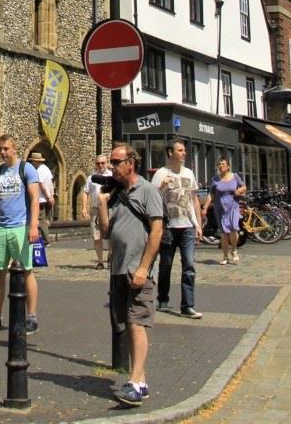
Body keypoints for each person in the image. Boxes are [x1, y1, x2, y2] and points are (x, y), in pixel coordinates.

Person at [98, 142, 164, 408]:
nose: (112, 167)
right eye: (111, 162)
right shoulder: (115, 194)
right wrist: (102, 203)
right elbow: (105, 231)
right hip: (118, 269)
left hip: (138, 270)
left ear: (131, 163)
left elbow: (157, 231)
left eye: (116, 162)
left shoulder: (148, 191)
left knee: (137, 324)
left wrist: (144, 268)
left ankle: (134, 383)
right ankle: (142, 381)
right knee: (125, 324)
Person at [0, 133, 40, 335]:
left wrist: (34, 225)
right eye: (0, 149)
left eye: (6, 148)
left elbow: (35, 197)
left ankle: (31, 318)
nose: (3, 152)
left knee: (26, 271)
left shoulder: (26, 168)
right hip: (0, 227)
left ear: (14, 148)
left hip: (20, 226)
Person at [151, 141, 203, 318]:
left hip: (187, 226)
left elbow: (194, 200)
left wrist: (198, 224)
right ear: (170, 153)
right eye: (180, 150)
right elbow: (152, 201)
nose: (184, 153)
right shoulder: (161, 173)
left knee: (189, 266)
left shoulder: (189, 173)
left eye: (184, 151)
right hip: (168, 227)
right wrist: (161, 187)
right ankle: (163, 299)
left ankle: (187, 305)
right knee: (166, 266)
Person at [202, 157, 246, 264]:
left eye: (223, 164)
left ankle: (234, 250)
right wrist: (205, 207)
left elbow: (244, 187)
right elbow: (211, 194)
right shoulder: (215, 179)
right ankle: (225, 256)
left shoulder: (235, 176)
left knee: (234, 229)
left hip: (233, 207)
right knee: (224, 233)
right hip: (220, 208)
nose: (221, 166)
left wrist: (239, 190)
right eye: (219, 164)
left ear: (228, 166)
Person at [83, 155, 111, 268]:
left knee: (111, 235)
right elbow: (86, 192)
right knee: (96, 236)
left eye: (103, 163)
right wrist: (84, 207)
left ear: (106, 163)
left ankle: (111, 256)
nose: (100, 165)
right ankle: (100, 261)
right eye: (98, 163)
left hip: (109, 208)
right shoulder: (92, 177)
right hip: (95, 209)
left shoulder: (112, 176)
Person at [28, 151, 55, 244]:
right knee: (45, 219)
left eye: (32, 161)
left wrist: (48, 197)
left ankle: (46, 239)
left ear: (35, 161)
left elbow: (42, 185)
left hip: (41, 199)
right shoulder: (47, 169)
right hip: (47, 198)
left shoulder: (38, 171)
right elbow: (51, 183)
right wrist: (52, 195)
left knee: (41, 219)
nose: (31, 164)